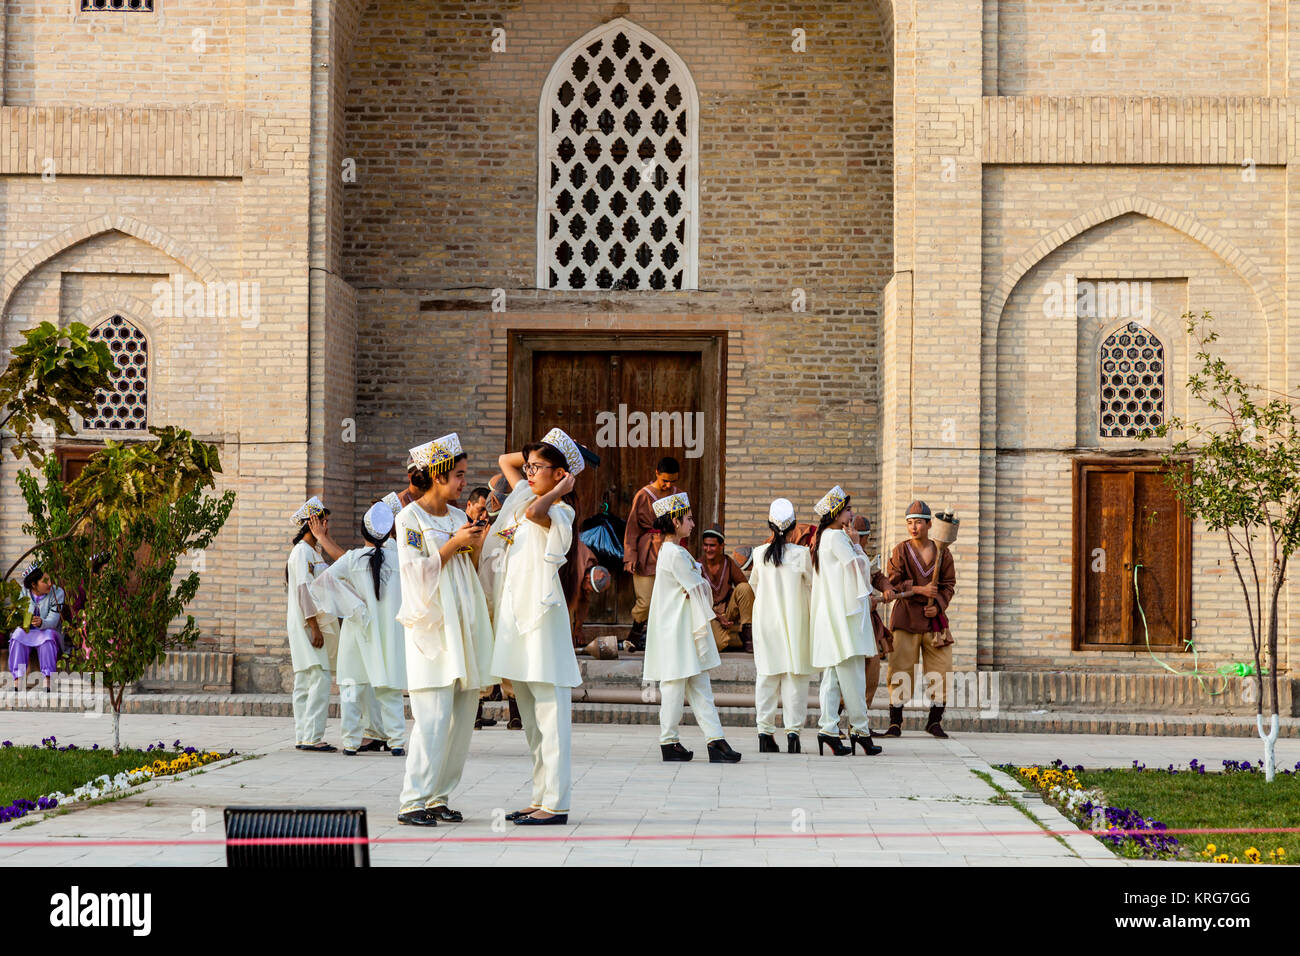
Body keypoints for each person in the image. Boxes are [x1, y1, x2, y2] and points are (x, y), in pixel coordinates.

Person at [480, 428, 585, 826]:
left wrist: (562, 483)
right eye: (529, 467)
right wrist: (543, 453)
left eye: (537, 468)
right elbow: (508, 462)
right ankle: (540, 795)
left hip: (542, 622)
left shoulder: (559, 510)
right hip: (517, 619)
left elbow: (535, 513)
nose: (526, 473)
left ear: (560, 476)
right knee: (530, 715)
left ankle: (556, 803)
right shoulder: (528, 494)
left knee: (550, 715)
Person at [394, 433, 494, 826]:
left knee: (462, 717)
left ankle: (438, 795)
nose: (462, 484)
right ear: (437, 476)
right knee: (432, 717)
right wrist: (453, 544)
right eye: (458, 476)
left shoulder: (457, 518)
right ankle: (412, 801)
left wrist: (476, 541)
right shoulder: (410, 519)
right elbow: (413, 573)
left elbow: (469, 568)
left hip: (463, 625)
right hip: (432, 627)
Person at [642, 493, 742, 763]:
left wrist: (698, 582)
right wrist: (700, 582)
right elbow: (700, 587)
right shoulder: (674, 553)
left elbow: (697, 587)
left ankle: (716, 741)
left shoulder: (674, 552)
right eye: (688, 518)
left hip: (682, 628)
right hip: (675, 630)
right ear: (675, 521)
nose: (693, 524)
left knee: (700, 686)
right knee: (674, 686)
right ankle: (668, 740)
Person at [310, 494, 408, 757]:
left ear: (363, 531)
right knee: (389, 688)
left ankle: (351, 742)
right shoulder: (400, 559)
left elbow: (322, 583)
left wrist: (353, 605)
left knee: (352, 687)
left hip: (358, 632)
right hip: (388, 632)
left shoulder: (353, 558)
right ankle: (397, 742)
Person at [809, 486, 882, 757]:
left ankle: (827, 728)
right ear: (837, 513)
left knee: (831, 677)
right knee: (852, 675)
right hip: (843, 617)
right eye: (849, 509)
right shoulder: (837, 538)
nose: (852, 514)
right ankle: (860, 731)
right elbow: (858, 568)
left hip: (831, 615)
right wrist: (857, 546)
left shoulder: (824, 538)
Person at [884, 500, 957, 738]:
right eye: (909, 523)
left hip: (933, 622)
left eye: (918, 522)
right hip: (905, 619)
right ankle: (895, 722)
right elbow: (893, 582)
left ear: (929, 524)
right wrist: (918, 589)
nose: (913, 527)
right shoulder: (900, 550)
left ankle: (934, 721)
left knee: (941, 671)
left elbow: (948, 585)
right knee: (900, 670)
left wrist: (937, 605)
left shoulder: (942, 552)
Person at [748, 499, 813, 753]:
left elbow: (755, 585)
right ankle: (793, 734)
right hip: (795, 621)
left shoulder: (758, 554)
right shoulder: (802, 554)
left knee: (766, 676)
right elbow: (811, 585)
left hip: (766, 621)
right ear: (795, 526)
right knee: (795, 676)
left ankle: (764, 733)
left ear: (769, 525)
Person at [285, 497, 342, 753]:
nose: (326, 527)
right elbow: (303, 589)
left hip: (311, 623)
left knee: (308, 680)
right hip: (308, 625)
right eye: (324, 521)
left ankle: (304, 735)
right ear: (313, 522)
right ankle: (312, 737)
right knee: (316, 678)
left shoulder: (313, 553)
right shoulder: (301, 552)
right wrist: (314, 626)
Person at [622, 457, 682, 650]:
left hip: (671, 549)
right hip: (646, 550)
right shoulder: (643, 495)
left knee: (668, 598)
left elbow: (685, 526)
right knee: (645, 600)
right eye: (665, 480)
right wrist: (630, 556)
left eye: (672, 481)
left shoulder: (678, 495)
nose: (668, 484)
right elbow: (632, 528)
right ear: (656, 473)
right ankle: (635, 633)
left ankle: (662, 641)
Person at [7, 564, 66, 692]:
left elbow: (54, 620)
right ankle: (18, 679)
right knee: (17, 635)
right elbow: (19, 613)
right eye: (45, 581)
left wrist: (41, 623)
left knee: (47, 638)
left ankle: (48, 679)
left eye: (50, 579)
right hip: (29, 631)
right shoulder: (24, 592)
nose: (50, 583)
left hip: (49, 630)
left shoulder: (57, 593)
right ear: (34, 584)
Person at [699, 528, 754, 652]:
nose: (708, 549)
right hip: (710, 614)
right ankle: (728, 637)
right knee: (719, 644)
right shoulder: (698, 565)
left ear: (721, 546)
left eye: (712, 545)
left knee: (745, 588)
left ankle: (748, 636)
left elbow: (744, 586)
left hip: (728, 611)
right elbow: (697, 600)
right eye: (705, 545)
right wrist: (718, 616)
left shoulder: (728, 562)